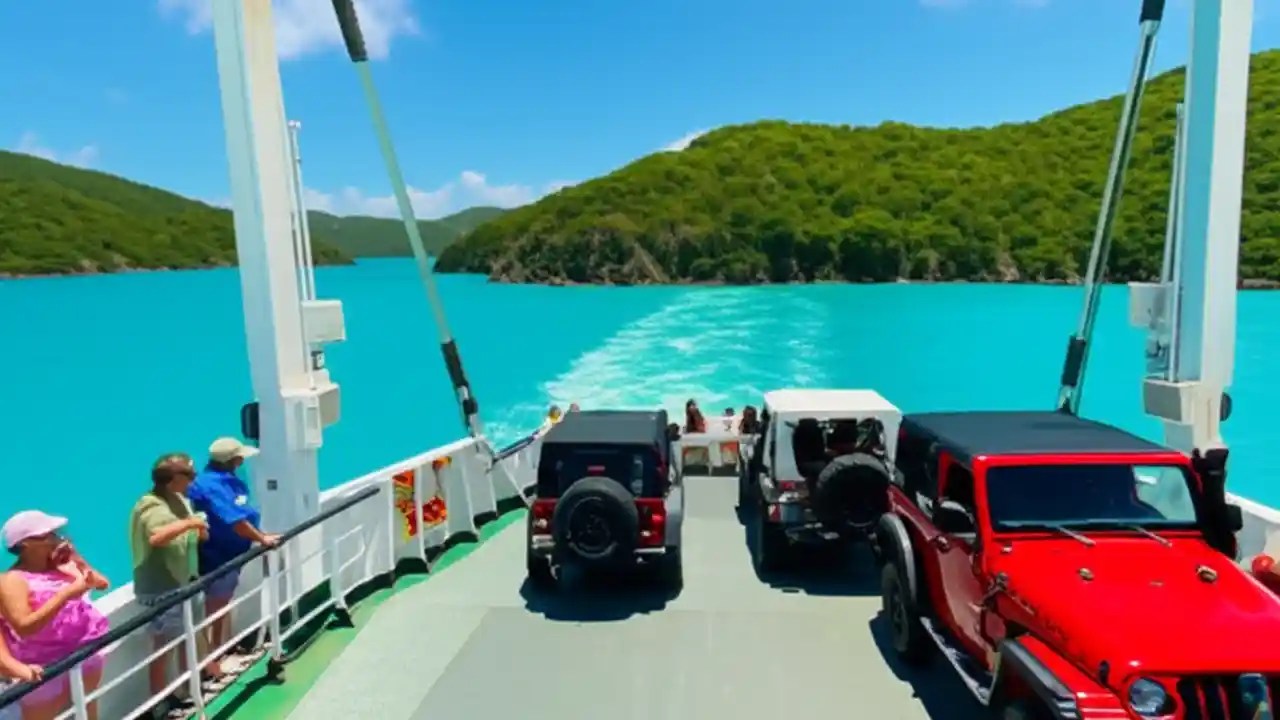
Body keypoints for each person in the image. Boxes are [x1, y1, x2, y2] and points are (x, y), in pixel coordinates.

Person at [129, 453, 221, 708]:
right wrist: (190, 523)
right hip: (163, 588)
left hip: (186, 581)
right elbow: (157, 537)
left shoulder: (179, 500)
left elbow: (194, 535)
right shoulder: (152, 506)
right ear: (171, 480)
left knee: (188, 638)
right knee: (164, 645)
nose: (193, 480)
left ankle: (189, 685)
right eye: (188, 476)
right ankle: (162, 700)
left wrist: (198, 528)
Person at [0, 510, 109, 720]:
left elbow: (102, 583)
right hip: (44, 664)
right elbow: (24, 626)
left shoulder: (62, 565)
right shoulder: (12, 581)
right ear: (26, 545)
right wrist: (66, 594)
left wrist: (77, 560)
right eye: (49, 534)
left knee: (88, 707)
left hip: (85, 649)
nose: (56, 538)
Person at [187, 438, 277, 668]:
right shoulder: (210, 486)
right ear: (233, 460)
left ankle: (223, 646)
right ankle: (213, 658)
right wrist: (262, 539)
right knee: (216, 606)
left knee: (224, 602)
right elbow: (234, 520)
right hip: (218, 557)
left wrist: (258, 534)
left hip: (233, 554)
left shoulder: (227, 481)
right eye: (239, 458)